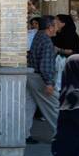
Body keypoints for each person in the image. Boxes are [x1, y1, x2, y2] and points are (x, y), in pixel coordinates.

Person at [26, 16, 61, 144]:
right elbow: (45, 64)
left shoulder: (38, 36)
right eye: (55, 25)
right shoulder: (46, 41)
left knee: (28, 106)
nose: (57, 28)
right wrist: (49, 83)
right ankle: (62, 135)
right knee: (55, 105)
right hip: (39, 78)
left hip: (30, 75)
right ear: (50, 27)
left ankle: (23, 135)